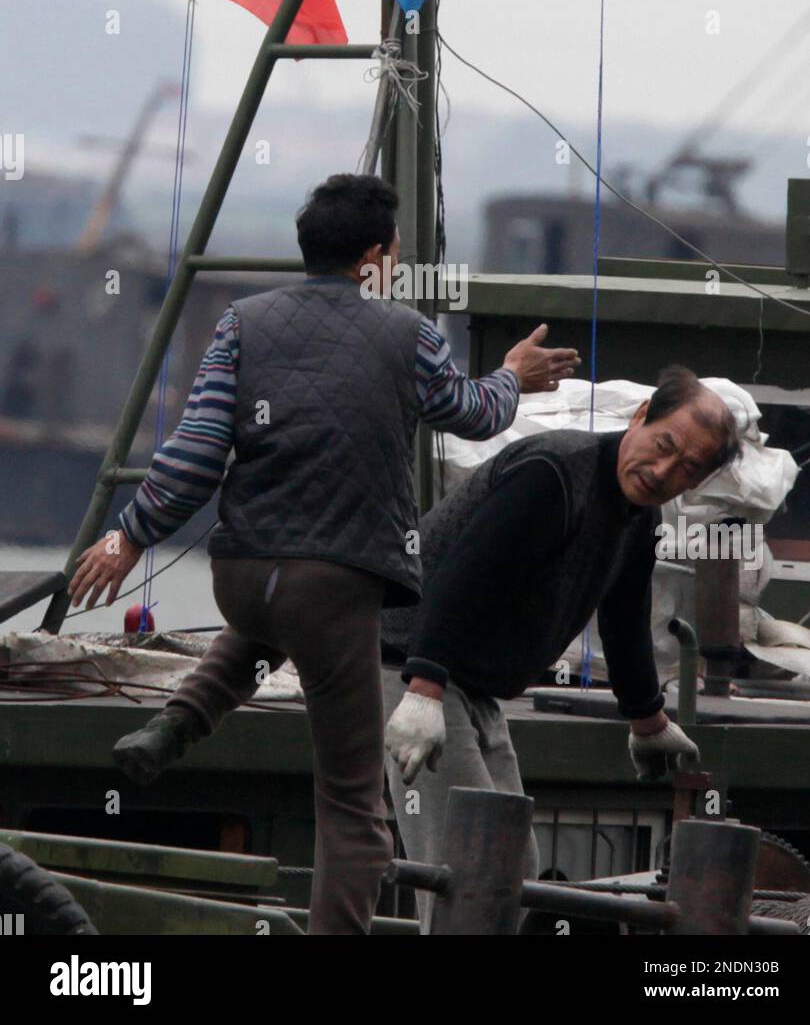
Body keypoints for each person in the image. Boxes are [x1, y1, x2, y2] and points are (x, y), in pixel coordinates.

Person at [67, 173, 579, 936]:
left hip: (241, 579)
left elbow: (198, 451)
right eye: (395, 253)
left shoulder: (241, 323)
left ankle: (180, 719)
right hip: (335, 585)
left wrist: (129, 535)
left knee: (282, 617)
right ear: (374, 256)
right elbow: (472, 416)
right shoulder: (409, 333)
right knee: (350, 808)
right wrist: (514, 376)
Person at [383, 366, 741, 931]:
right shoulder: (552, 475)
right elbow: (463, 575)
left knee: (512, 861)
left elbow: (625, 617)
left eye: (686, 469)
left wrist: (647, 719)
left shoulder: (638, 517)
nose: (662, 471)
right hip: (410, 661)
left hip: (472, 682)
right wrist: (423, 687)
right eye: (663, 445)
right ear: (640, 416)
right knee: (466, 858)